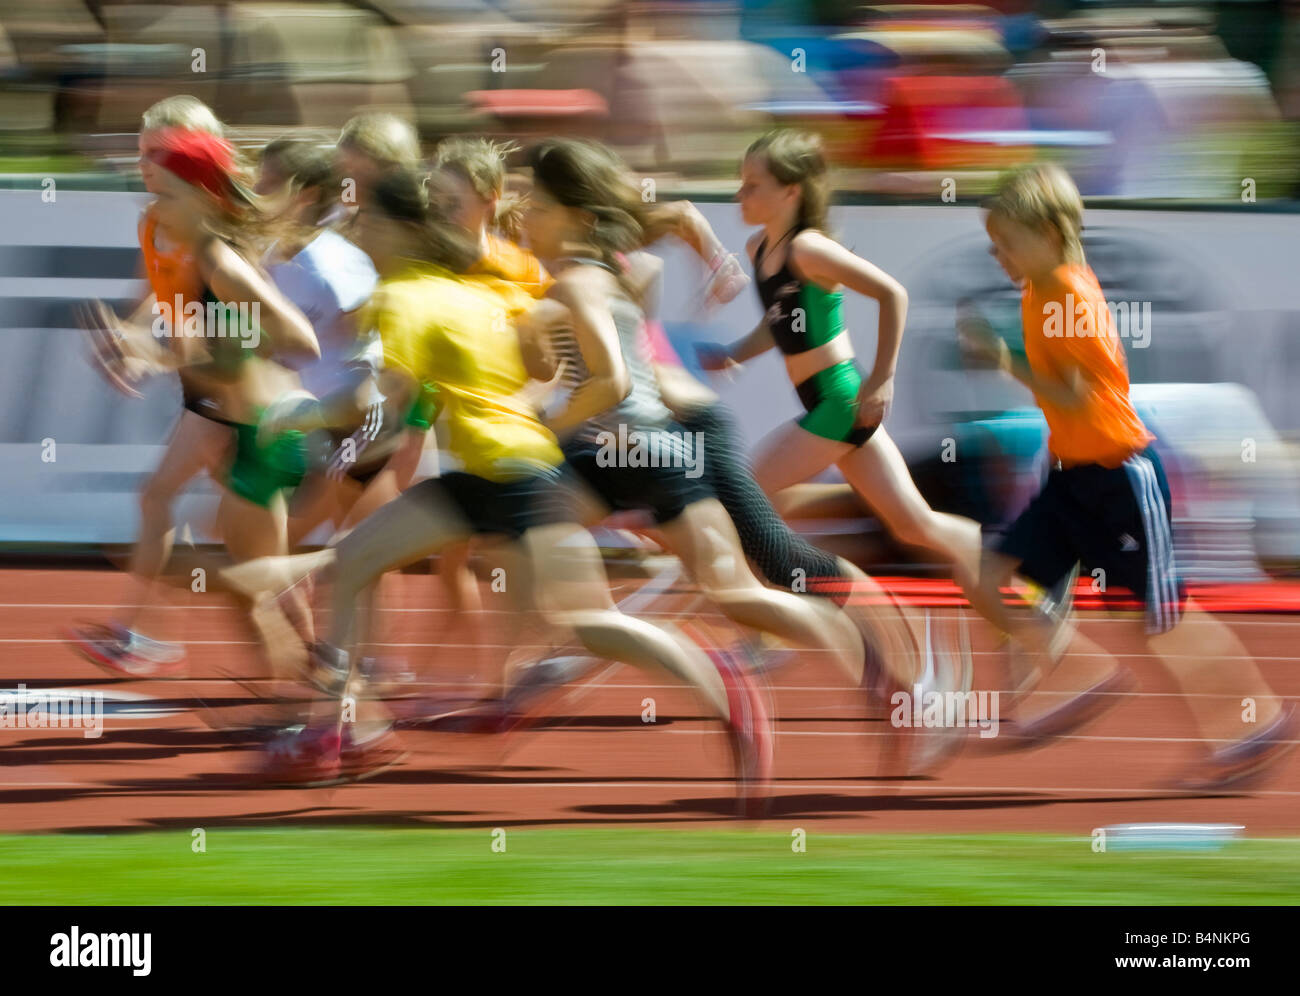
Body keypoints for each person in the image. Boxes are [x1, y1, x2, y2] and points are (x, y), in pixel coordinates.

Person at [223, 168, 775, 806]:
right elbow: (529, 359)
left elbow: (379, 397)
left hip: (513, 476)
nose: (358, 230)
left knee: (584, 624)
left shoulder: (404, 295)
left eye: (370, 220)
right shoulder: (470, 292)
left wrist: (304, 413)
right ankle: (340, 732)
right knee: (351, 564)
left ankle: (722, 682)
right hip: (486, 473)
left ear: (404, 230)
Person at [965, 162, 1294, 788]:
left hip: (1119, 479)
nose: (998, 255)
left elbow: (1074, 395)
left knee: (1161, 623)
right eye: (993, 244)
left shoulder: (1070, 292)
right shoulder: (1039, 292)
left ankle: (1254, 726)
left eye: (1007, 241)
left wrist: (1002, 358)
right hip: (1069, 479)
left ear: (1048, 231)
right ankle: (1077, 667)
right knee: (987, 579)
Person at [698, 129, 984, 599]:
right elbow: (780, 323)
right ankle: (1011, 560)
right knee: (914, 524)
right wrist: (734, 353)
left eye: (752, 184)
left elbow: (893, 294)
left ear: (791, 191)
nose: (739, 194)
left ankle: (772, 624)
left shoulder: (810, 249)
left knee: (743, 499)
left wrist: (882, 380)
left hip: (841, 400)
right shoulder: (758, 249)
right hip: (833, 403)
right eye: (740, 182)